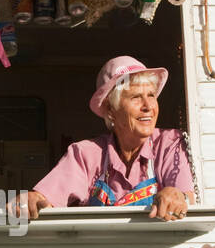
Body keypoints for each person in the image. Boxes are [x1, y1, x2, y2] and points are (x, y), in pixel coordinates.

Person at [12, 56, 196, 221]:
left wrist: (176, 195)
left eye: (151, 95)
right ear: (110, 110)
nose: (148, 106)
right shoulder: (85, 154)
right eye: (136, 97)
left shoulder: (170, 143)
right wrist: (33, 198)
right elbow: (47, 198)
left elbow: (184, 195)